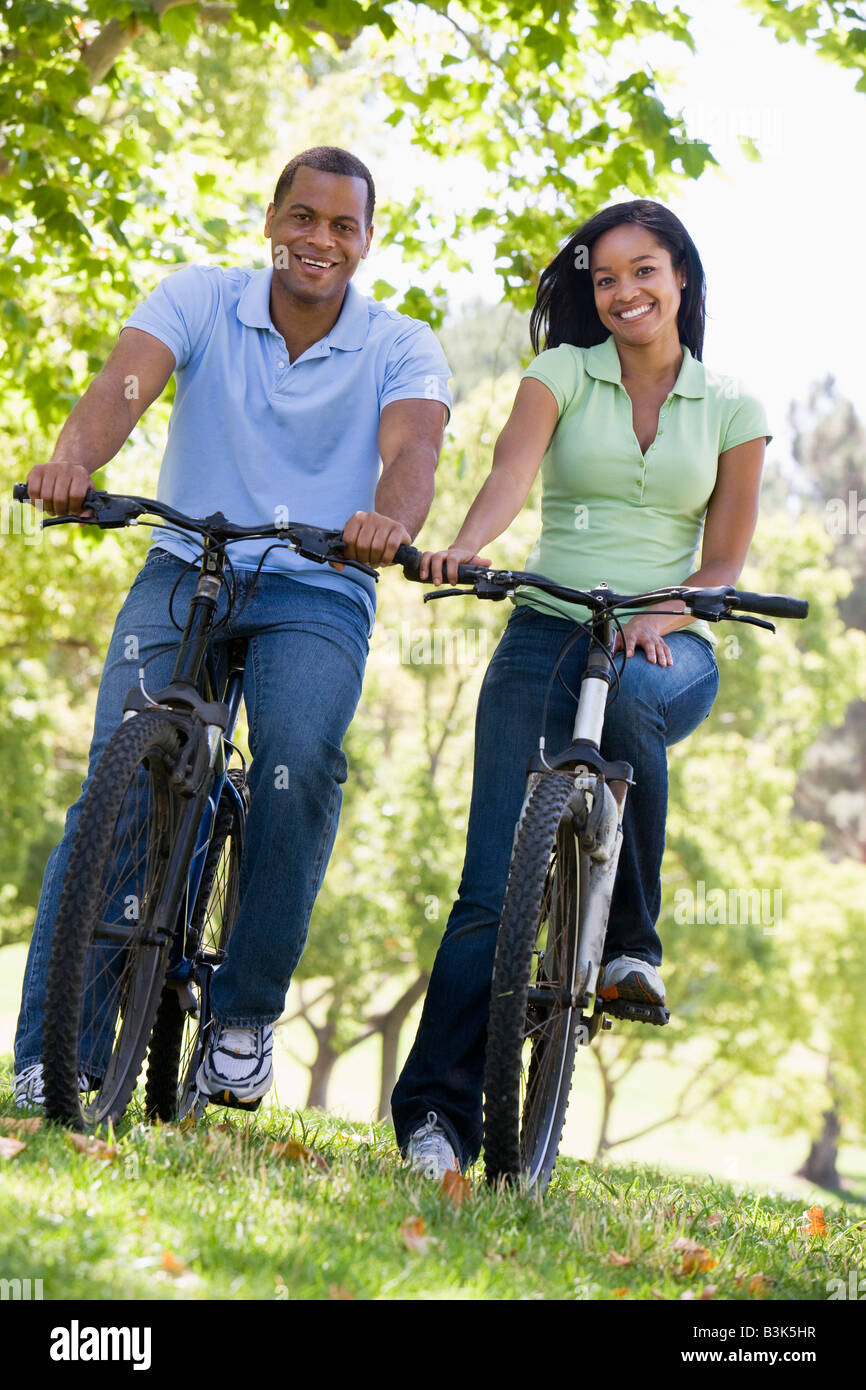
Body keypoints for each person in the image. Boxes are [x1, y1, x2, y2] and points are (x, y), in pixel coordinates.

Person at [13, 146, 451, 1110]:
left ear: (366, 241)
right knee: (116, 780)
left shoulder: (401, 344)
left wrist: (388, 522)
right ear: (271, 222)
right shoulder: (200, 298)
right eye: (303, 217)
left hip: (319, 584)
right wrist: (73, 462)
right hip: (187, 559)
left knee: (299, 758)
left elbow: (413, 448)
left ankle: (243, 1018)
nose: (320, 239)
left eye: (342, 225)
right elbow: (124, 389)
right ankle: (57, 1055)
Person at [391, 199, 770, 1178]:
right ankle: (435, 1122)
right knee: (487, 889)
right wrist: (465, 547)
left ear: (680, 277)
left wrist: (667, 612)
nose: (623, 292)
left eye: (643, 271)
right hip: (548, 627)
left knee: (636, 698)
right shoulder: (559, 373)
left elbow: (724, 561)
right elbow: (510, 476)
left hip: (669, 641)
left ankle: (628, 948)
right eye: (604, 278)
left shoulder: (732, 408)